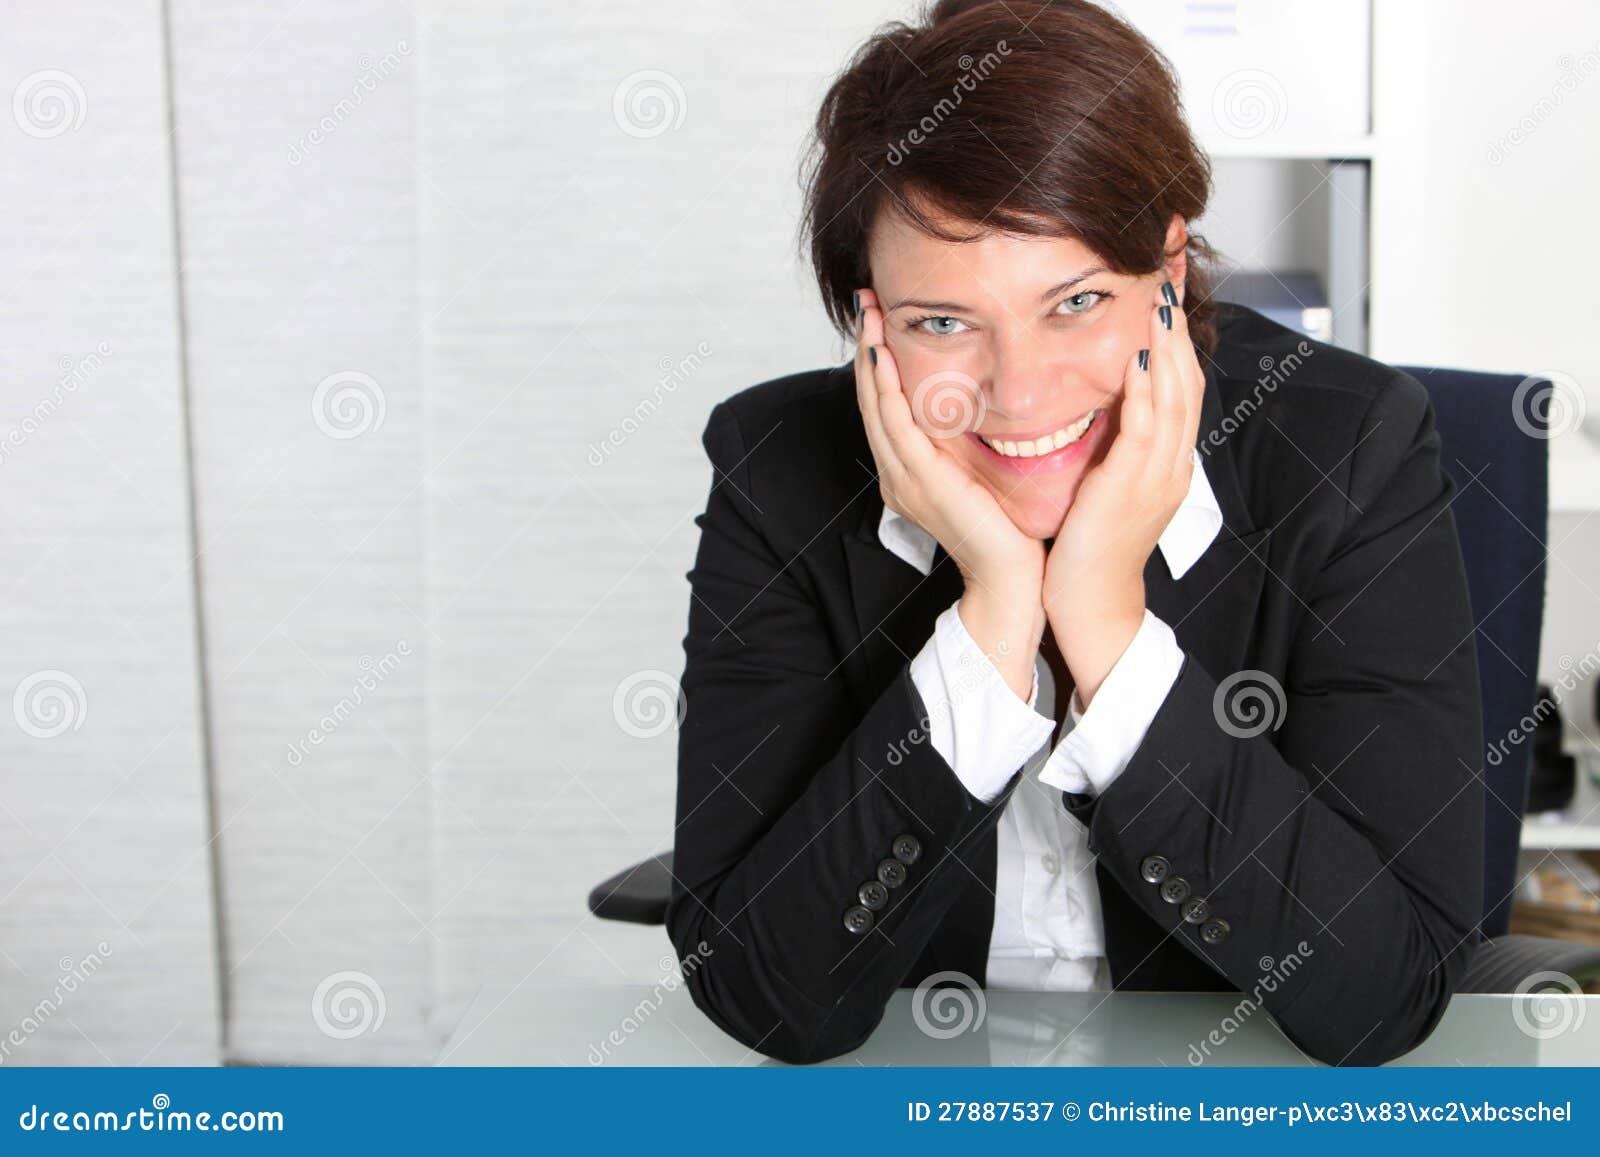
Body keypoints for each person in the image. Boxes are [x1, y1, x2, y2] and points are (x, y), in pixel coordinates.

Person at [664, 0, 1483, 1066]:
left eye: (1077, 300)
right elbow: (762, 996)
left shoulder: (1351, 449)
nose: (1018, 392)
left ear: (1168, 273)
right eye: (942, 323)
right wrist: (994, 610)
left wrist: (1103, 619)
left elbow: (1386, 993)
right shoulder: (776, 468)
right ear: (871, 323)